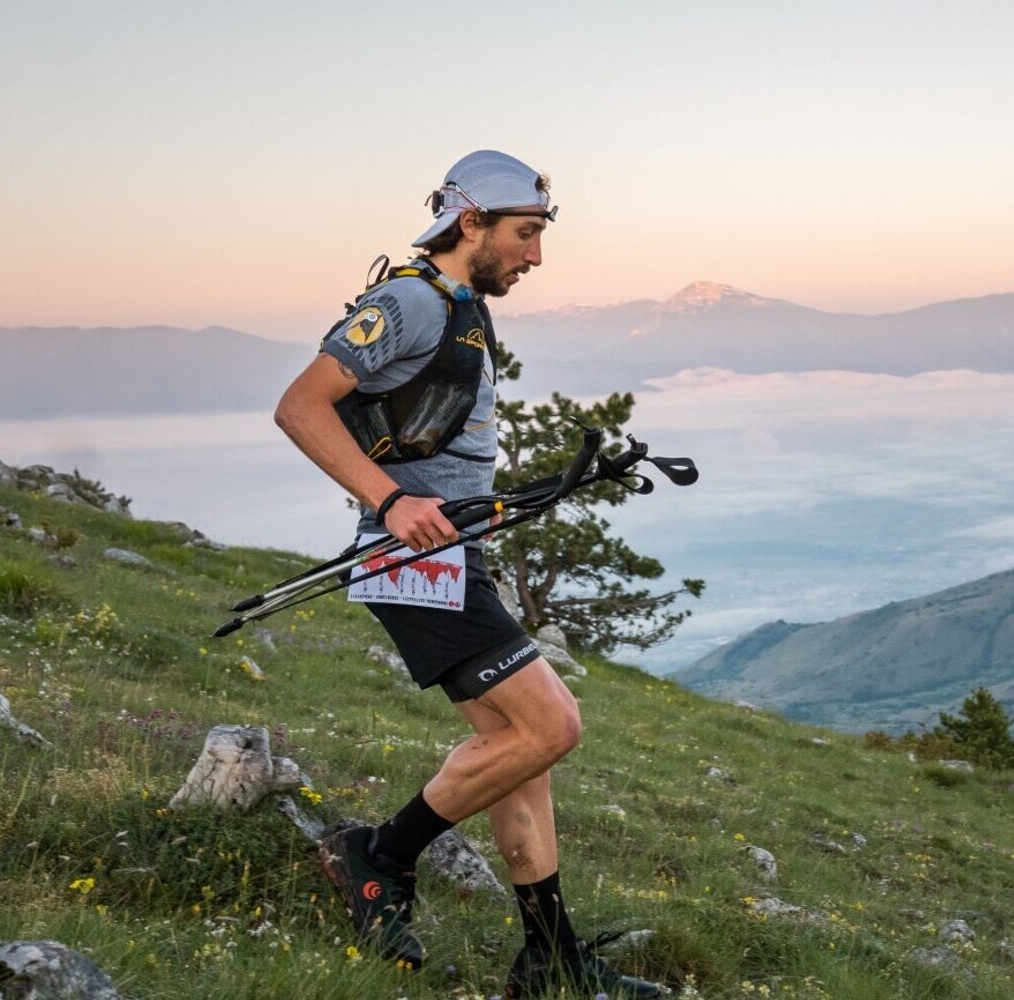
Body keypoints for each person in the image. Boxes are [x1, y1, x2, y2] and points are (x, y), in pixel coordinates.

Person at [273, 150, 664, 999]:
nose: (535, 255)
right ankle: (377, 856)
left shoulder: (464, 309)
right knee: (551, 725)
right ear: (471, 223)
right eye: (525, 235)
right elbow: (299, 406)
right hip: (411, 560)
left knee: (521, 752)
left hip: (453, 556)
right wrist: (389, 501)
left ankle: (549, 958)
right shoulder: (409, 301)